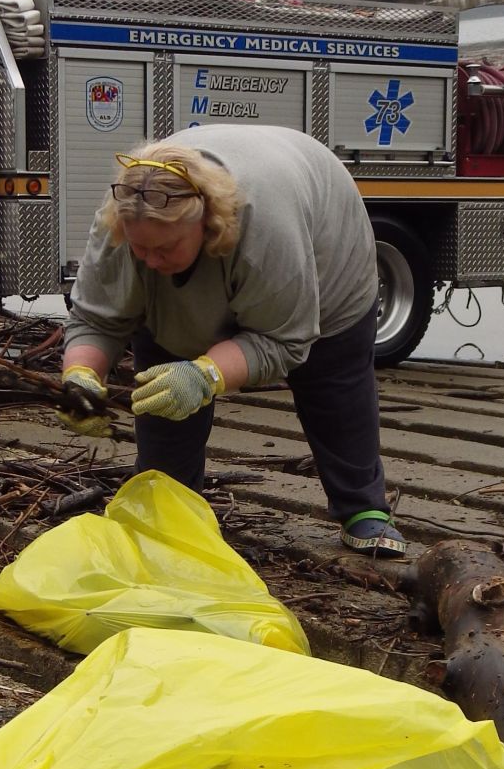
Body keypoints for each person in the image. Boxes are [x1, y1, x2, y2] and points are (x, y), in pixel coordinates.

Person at [57, 125, 406, 556]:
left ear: (205, 224)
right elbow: (95, 317)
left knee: (333, 385)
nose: (149, 259)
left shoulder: (265, 224)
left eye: (163, 249)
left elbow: (282, 341)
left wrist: (206, 375)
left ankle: (363, 507)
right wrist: (81, 375)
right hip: (188, 290)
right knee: (163, 391)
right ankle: (171, 507)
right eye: (139, 250)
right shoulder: (125, 220)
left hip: (324, 264)